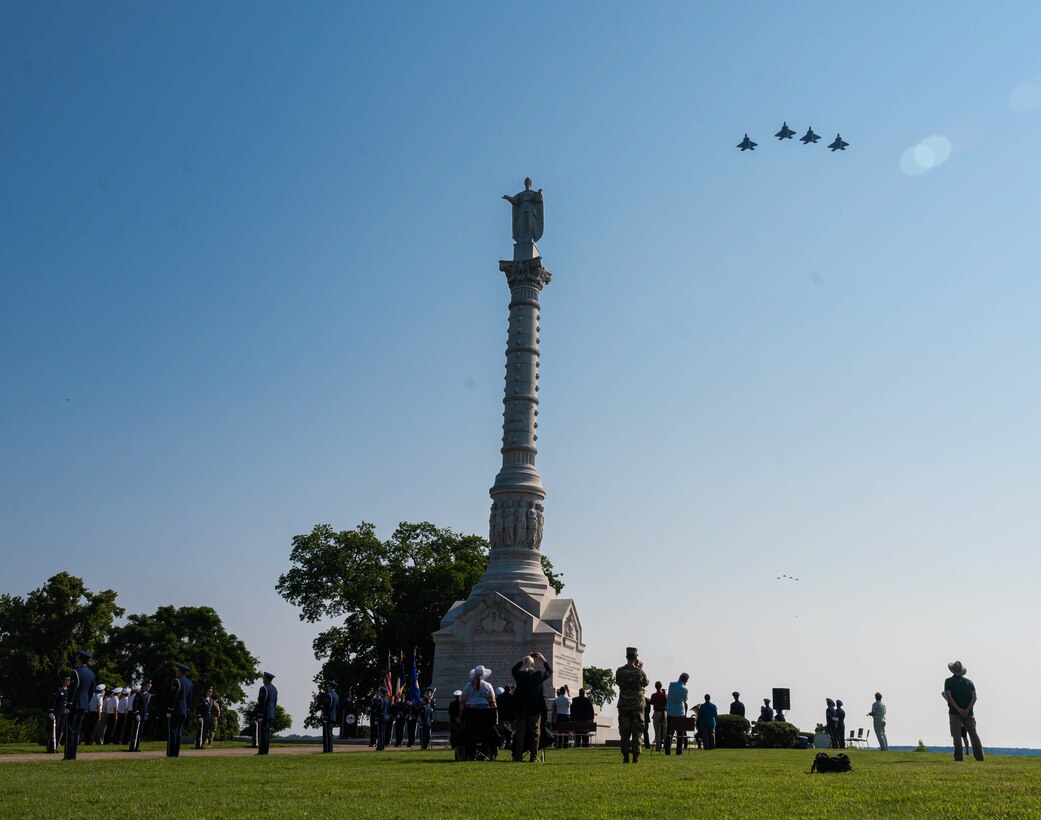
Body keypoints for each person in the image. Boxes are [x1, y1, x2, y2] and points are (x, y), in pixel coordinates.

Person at [512, 652, 551, 763]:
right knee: (535, 733)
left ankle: (518, 756)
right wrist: (543, 660)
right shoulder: (537, 675)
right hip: (534, 709)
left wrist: (524, 659)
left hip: (521, 709)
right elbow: (549, 671)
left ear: (524, 665)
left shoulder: (519, 675)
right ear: (533, 665)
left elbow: (514, 669)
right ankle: (533, 757)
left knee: (520, 733)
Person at [944, 660, 984, 762]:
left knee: (957, 736)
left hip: (954, 713)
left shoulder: (948, 681)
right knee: (973, 735)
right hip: (969, 713)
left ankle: (958, 758)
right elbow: (974, 697)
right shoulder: (969, 682)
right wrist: (967, 709)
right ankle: (980, 757)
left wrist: (958, 709)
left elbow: (949, 697)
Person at [615, 647, 649, 764]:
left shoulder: (620, 671)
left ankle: (625, 756)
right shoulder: (640, 673)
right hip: (637, 706)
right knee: (637, 732)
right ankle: (635, 757)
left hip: (624, 705)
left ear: (626, 657)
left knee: (624, 732)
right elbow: (646, 683)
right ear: (636, 658)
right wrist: (639, 668)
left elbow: (618, 682)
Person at [460, 664, 497, 759]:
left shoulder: (468, 686)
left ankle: (470, 752)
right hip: (485, 719)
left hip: (470, 717)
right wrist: (496, 716)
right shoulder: (488, 686)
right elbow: (492, 702)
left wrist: (461, 716)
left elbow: (462, 701)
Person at [63, 651, 95, 760]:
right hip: (84, 705)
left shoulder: (75, 672)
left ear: (79, 659)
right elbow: (91, 692)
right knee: (77, 731)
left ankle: (68, 755)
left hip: (74, 704)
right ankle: (73, 755)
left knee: (70, 730)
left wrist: (68, 705)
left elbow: (73, 690)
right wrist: (86, 703)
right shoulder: (91, 673)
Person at [167, 662, 192, 757]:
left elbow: (174, 696)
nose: (176, 671)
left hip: (176, 709)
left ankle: (171, 752)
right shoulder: (189, 682)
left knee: (173, 730)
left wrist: (169, 709)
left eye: (177, 669)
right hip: (184, 709)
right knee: (179, 731)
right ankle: (176, 752)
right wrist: (188, 709)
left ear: (180, 671)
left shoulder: (177, 681)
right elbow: (189, 698)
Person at [664, 673, 689, 755]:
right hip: (679, 713)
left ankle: (667, 750)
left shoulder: (671, 684)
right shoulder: (685, 689)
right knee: (680, 733)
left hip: (670, 712)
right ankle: (679, 750)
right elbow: (685, 700)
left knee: (669, 732)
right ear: (686, 681)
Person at [255, 671, 278, 755]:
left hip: (264, 713)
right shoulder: (274, 689)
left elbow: (262, 702)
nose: (263, 679)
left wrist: (260, 714)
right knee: (267, 733)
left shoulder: (264, 688)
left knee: (263, 732)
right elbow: (275, 702)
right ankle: (265, 750)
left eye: (264, 678)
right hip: (271, 712)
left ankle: (262, 751)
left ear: (267, 679)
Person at [47, 674, 70, 753]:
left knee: (60, 730)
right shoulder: (58, 689)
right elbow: (53, 701)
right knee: (55, 730)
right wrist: (51, 711)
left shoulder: (67, 690)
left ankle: (56, 746)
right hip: (57, 712)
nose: (68, 682)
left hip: (63, 713)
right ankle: (51, 747)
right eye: (67, 680)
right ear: (63, 681)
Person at [128, 682, 151, 751]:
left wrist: (147, 713)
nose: (149, 687)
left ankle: (137, 747)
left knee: (140, 731)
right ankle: (132, 747)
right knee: (135, 731)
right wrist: (136, 713)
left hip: (143, 715)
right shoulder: (139, 694)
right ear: (144, 686)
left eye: (150, 686)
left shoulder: (148, 695)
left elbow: (147, 705)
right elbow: (135, 704)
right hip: (138, 714)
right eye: (148, 686)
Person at [649, 681, 668, 751]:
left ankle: (658, 747)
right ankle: (666, 746)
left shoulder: (654, 695)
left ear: (655, 687)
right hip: (664, 713)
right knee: (665, 730)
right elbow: (666, 700)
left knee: (657, 730)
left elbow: (651, 702)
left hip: (657, 712)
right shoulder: (665, 695)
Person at [322, 680, 339, 753]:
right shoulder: (336, 695)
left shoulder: (329, 695)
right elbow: (337, 708)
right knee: (330, 733)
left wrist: (325, 716)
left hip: (328, 717)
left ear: (331, 686)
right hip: (333, 716)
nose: (327, 687)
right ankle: (330, 749)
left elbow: (327, 707)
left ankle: (327, 749)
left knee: (327, 734)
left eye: (328, 686)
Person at [371, 686, 389, 751]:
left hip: (381, 717)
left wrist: (376, 718)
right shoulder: (387, 699)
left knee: (380, 732)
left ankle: (380, 746)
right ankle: (382, 745)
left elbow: (379, 709)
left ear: (381, 692)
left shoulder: (380, 700)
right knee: (383, 732)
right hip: (385, 717)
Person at [447, 689, 463, 760]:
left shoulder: (454, 704)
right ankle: (454, 745)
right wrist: (457, 718)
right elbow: (450, 712)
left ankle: (456, 745)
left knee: (456, 733)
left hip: (458, 720)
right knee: (453, 733)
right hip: (454, 721)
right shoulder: (453, 704)